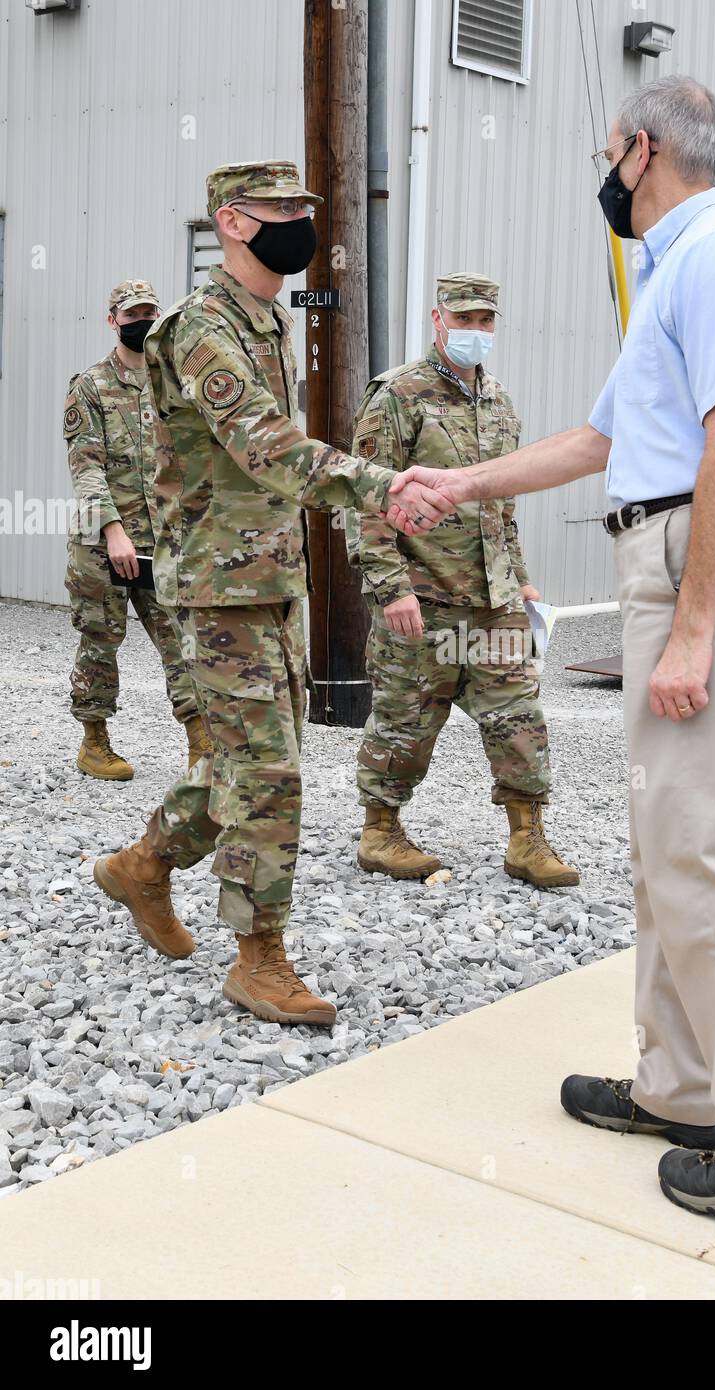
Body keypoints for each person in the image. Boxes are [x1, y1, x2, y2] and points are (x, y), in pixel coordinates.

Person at [388, 77, 715, 1220]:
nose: (605, 174)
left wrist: (693, 629)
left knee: (709, 847)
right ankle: (683, 1090)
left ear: (643, 150)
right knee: (666, 844)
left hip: (703, 560)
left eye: (609, 153)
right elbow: (604, 438)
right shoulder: (669, 273)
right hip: (667, 548)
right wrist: (463, 480)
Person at [93, 161, 451, 1027]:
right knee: (270, 774)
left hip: (269, 580)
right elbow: (264, 446)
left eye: (305, 209)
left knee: (238, 765)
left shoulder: (265, 321)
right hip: (220, 588)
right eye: (282, 210)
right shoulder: (201, 325)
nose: (301, 222)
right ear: (233, 221)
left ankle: (142, 865)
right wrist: (381, 484)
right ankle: (259, 959)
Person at [346, 272, 578, 889]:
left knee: (517, 714)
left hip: (494, 600)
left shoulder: (499, 400)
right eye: (464, 318)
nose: (476, 330)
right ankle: (380, 831)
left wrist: (520, 578)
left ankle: (527, 838)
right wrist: (389, 587)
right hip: (422, 594)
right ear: (437, 318)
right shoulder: (397, 395)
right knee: (407, 717)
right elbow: (365, 498)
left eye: (485, 320)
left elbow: (501, 504)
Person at [63, 279, 210, 779]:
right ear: (113, 321)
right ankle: (95, 741)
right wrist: (112, 529)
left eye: (150, 313)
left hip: (163, 544)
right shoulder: (89, 386)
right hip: (102, 545)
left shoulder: (172, 383)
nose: (142, 322)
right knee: (100, 641)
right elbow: (86, 466)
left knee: (181, 641)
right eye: (132, 316)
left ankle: (202, 747)